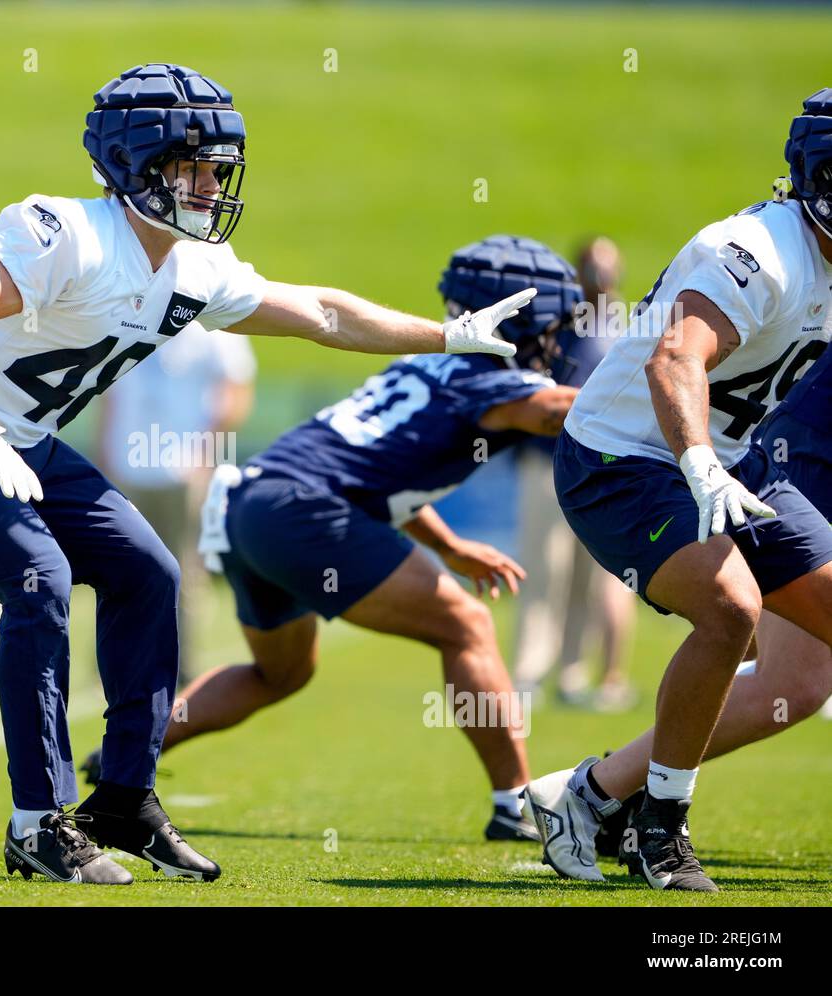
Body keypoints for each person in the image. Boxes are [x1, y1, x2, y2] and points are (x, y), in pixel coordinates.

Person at [0, 64, 533, 885]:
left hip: (21, 435)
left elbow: (322, 312)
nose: (215, 186)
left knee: (148, 571)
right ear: (140, 163)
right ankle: (38, 823)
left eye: (220, 168)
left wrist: (446, 336)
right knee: (40, 580)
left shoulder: (192, 266)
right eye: (198, 166)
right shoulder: (63, 229)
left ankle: (124, 801)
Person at [86, 235, 583, 843]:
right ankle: (516, 805)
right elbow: (562, 410)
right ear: (519, 320)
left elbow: (372, 475)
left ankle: (126, 761)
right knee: (467, 626)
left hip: (251, 505)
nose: (558, 341)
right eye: (554, 325)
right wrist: (670, 388)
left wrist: (448, 546)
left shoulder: (423, 361)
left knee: (281, 672)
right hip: (301, 509)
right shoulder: (490, 377)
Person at [523, 88, 832, 892]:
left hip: (733, 459)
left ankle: (592, 797)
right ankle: (663, 824)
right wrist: (697, 461)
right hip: (624, 459)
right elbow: (674, 358)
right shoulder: (757, 250)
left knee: (801, 681)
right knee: (731, 606)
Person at [511, 237, 635, 711]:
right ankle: (528, 673)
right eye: (593, 270)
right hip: (546, 462)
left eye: (608, 271)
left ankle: (571, 673)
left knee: (589, 577)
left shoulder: (628, 324)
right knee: (545, 572)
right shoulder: (557, 323)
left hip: (603, 470)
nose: (601, 281)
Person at [97, 321, 256, 684]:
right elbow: (111, 393)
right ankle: (116, 660)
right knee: (116, 567)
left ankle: (178, 666)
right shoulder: (128, 314)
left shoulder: (216, 323)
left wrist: (204, 457)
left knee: (181, 571)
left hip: (182, 469)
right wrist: (105, 455)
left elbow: (234, 391)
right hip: (127, 466)